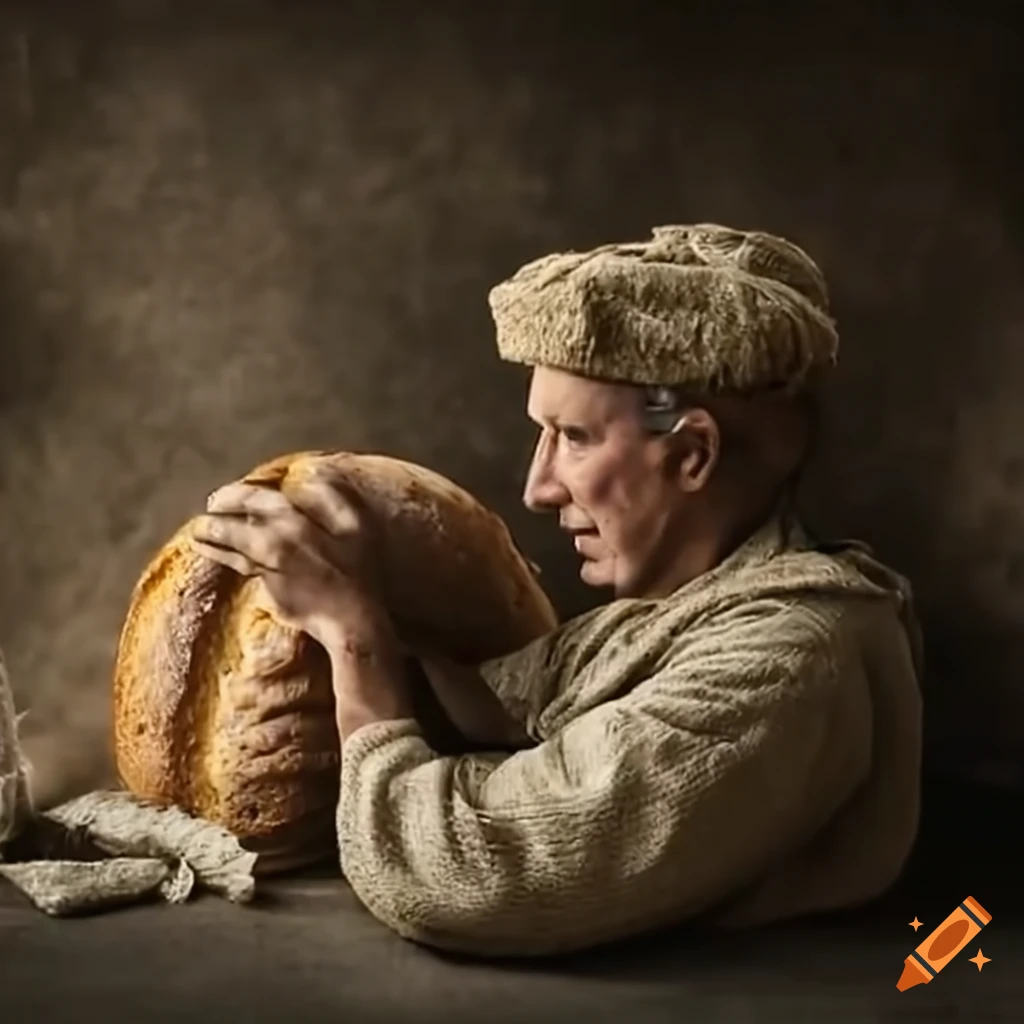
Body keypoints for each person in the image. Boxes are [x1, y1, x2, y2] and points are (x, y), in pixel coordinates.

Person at [189, 223, 924, 957]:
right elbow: (504, 705)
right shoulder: (694, 609)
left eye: (573, 437)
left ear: (692, 454)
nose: (538, 489)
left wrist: (353, 636)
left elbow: (461, 879)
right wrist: (380, 588)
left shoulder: (787, 662)